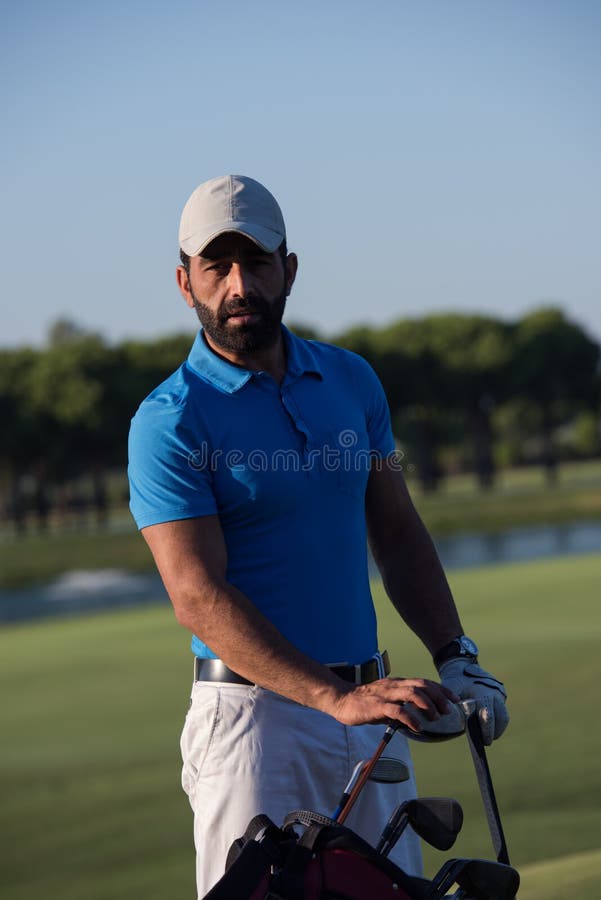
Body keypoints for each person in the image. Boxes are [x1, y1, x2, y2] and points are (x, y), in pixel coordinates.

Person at [128, 174, 509, 898]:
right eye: (217, 266)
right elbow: (197, 597)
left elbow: (396, 531)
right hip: (252, 727)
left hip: (371, 711)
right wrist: (330, 698)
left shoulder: (350, 380)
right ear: (185, 283)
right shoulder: (169, 421)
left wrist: (456, 655)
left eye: (257, 262)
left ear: (289, 270)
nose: (239, 284)